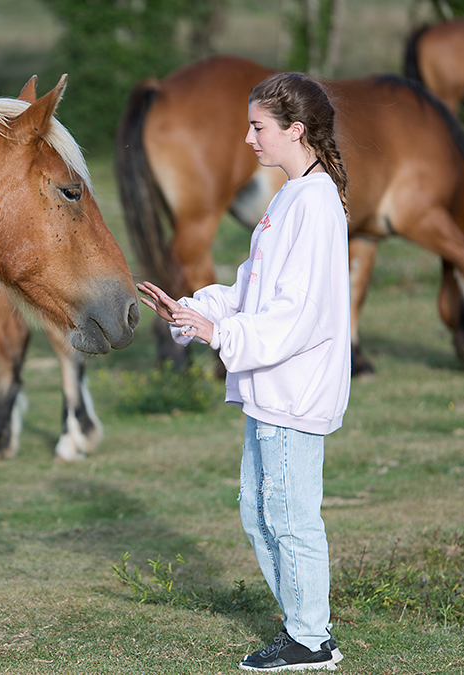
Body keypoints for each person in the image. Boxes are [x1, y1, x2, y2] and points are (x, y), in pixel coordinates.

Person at [137, 71, 351, 672]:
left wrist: (223, 334)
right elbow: (255, 290)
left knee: (288, 514)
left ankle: (310, 639)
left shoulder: (315, 203)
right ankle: (307, 629)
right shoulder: (289, 196)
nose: (251, 139)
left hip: (293, 389)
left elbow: (297, 314)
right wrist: (196, 310)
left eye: (259, 127)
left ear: (296, 130)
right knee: (259, 512)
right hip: (270, 390)